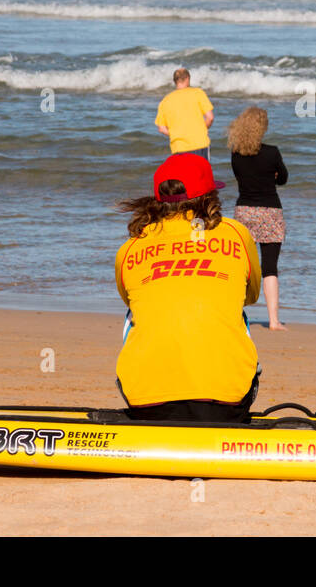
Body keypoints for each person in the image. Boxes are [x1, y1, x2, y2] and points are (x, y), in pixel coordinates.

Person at [113, 152, 262, 421]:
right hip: (224, 402)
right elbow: (251, 295)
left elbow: (131, 300)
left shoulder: (130, 248)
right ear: (209, 197)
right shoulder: (236, 233)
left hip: (145, 402)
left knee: (138, 310)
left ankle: (155, 387)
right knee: (236, 309)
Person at [228, 106, 289, 330]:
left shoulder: (235, 154)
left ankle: (234, 315)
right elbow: (283, 178)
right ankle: (273, 320)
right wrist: (271, 175)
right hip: (270, 211)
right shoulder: (272, 152)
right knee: (270, 266)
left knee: (240, 267)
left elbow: (240, 177)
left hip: (243, 211)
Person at [155, 68, 214, 158]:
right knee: (201, 172)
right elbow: (210, 118)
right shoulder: (198, 93)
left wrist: (177, 134)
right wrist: (201, 129)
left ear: (175, 81)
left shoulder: (165, 101)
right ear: (187, 78)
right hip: (200, 144)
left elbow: (161, 128)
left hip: (178, 147)